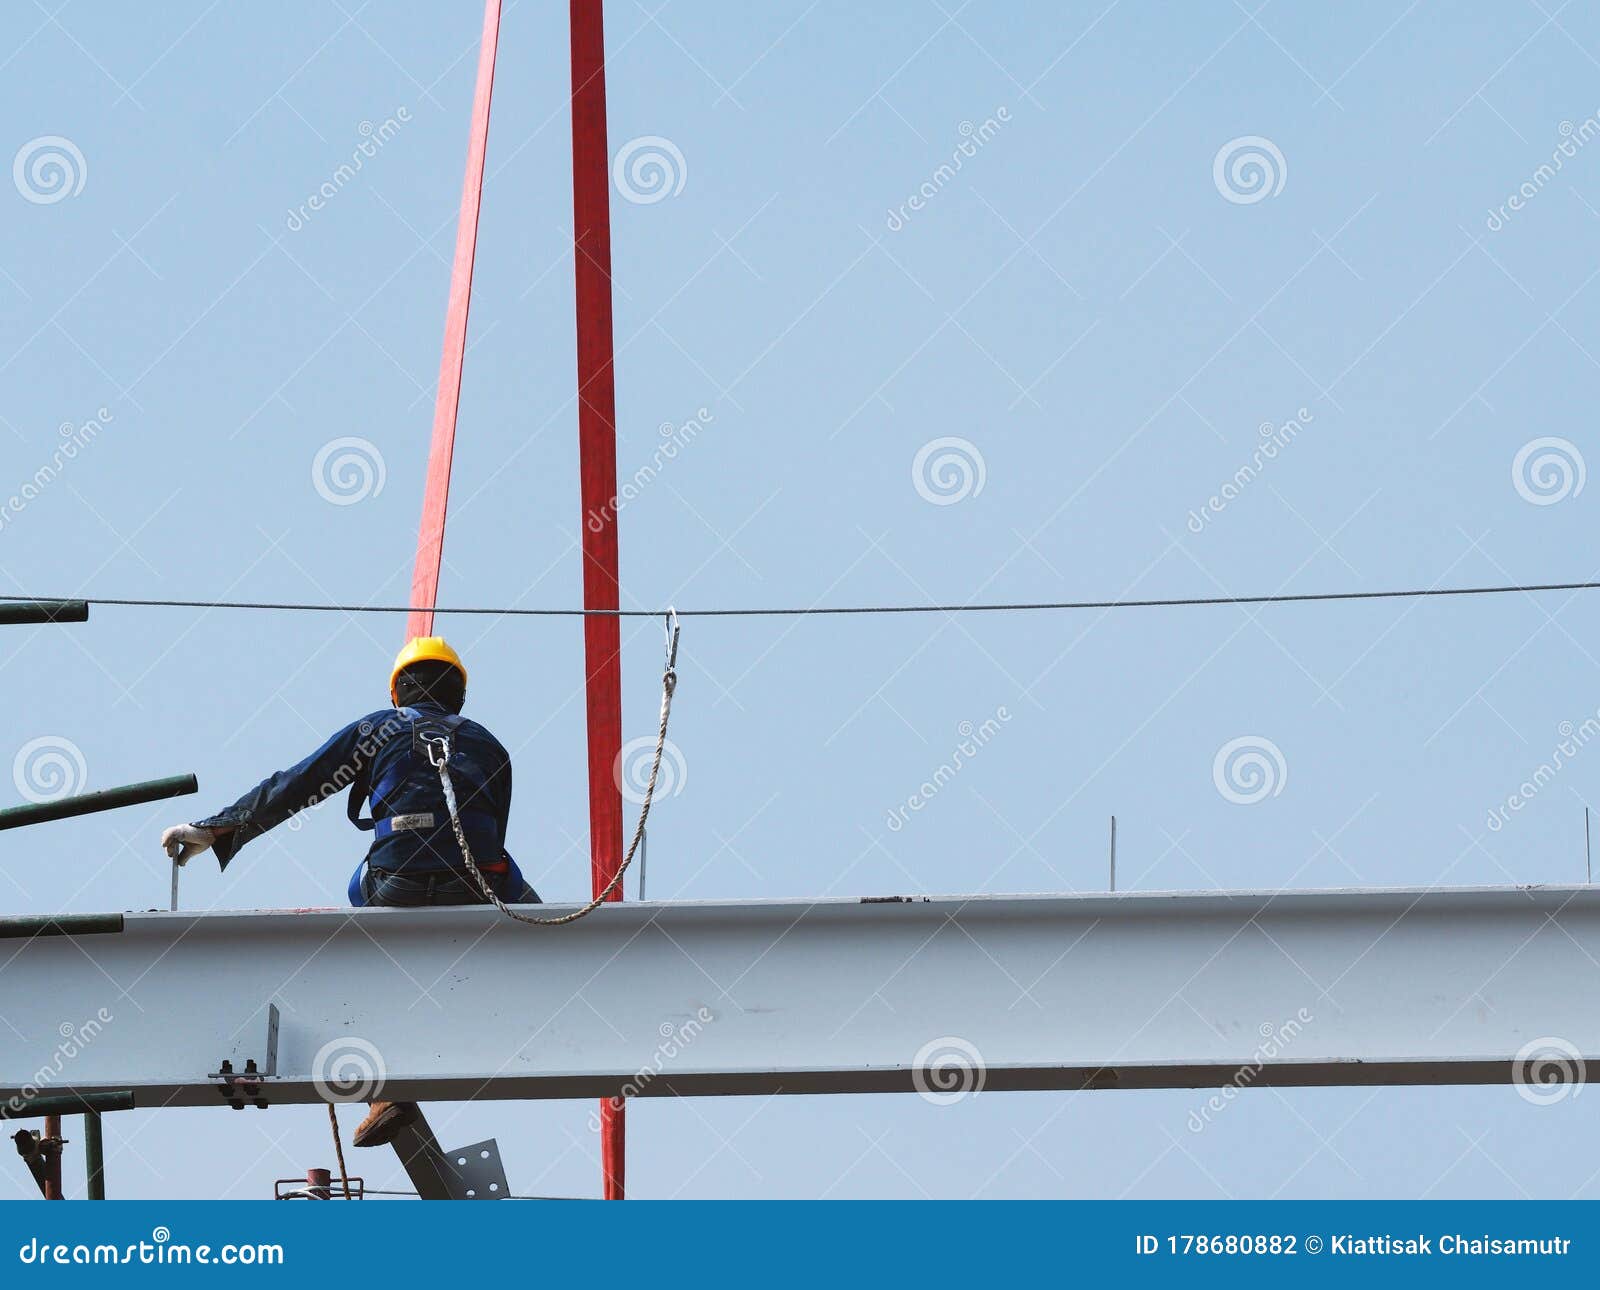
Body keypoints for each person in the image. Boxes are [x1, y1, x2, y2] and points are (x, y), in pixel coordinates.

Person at [159, 636, 538, 1146]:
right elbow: (495, 829)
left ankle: (384, 1085)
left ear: (397, 694)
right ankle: (554, 979)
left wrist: (217, 829)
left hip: (394, 881)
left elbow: (297, 784)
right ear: (460, 696)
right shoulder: (489, 743)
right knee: (530, 912)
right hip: (477, 881)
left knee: (358, 900)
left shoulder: (377, 728)